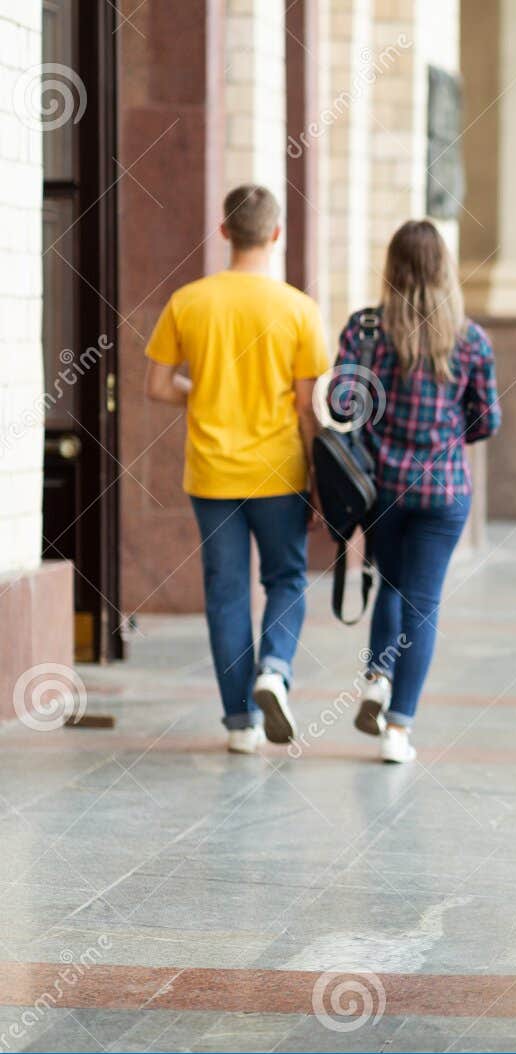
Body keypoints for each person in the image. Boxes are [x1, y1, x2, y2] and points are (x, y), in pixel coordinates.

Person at [145, 185, 330, 755]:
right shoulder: (298, 309)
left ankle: (240, 723)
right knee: (285, 578)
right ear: (275, 235)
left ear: (223, 231)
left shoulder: (188, 301)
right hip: (279, 470)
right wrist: (319, 479)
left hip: (211, 474)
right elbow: (306, 406)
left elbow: (156, 385)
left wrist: (200, 395)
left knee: (226, 592)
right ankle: (274, 668)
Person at [339, 220, 501, 765]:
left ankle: (376, 678)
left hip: (382, 485)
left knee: (390, 582)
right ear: (444, 270)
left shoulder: (365, 331)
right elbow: (487, 420)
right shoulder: (470, 338)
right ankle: (399, 731)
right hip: (444, 490)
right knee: (423, 606)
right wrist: (452, 434)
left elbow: (343, 404)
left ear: (393, 268)